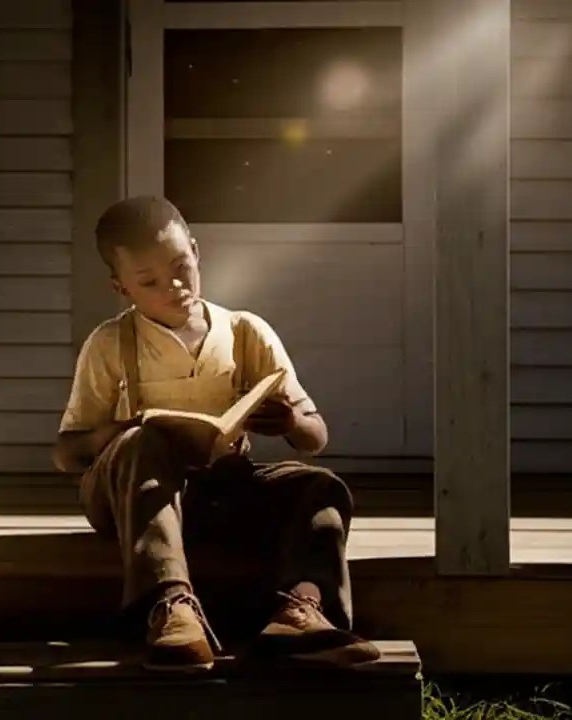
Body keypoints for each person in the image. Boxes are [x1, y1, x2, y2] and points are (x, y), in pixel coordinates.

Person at [53, 196, 380, 673]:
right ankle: (170, 608)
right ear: (121, 287)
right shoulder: (109, 343)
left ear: (197, 252)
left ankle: (303, 612)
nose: (175, 286)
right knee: (142, 445)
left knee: (320, 487)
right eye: (149, 282)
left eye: (182, 266)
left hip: (221, 486)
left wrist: (288, 422)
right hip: (136, 498)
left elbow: (316, 436)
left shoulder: (244, 331)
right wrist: (123, 431)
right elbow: (66, 453)